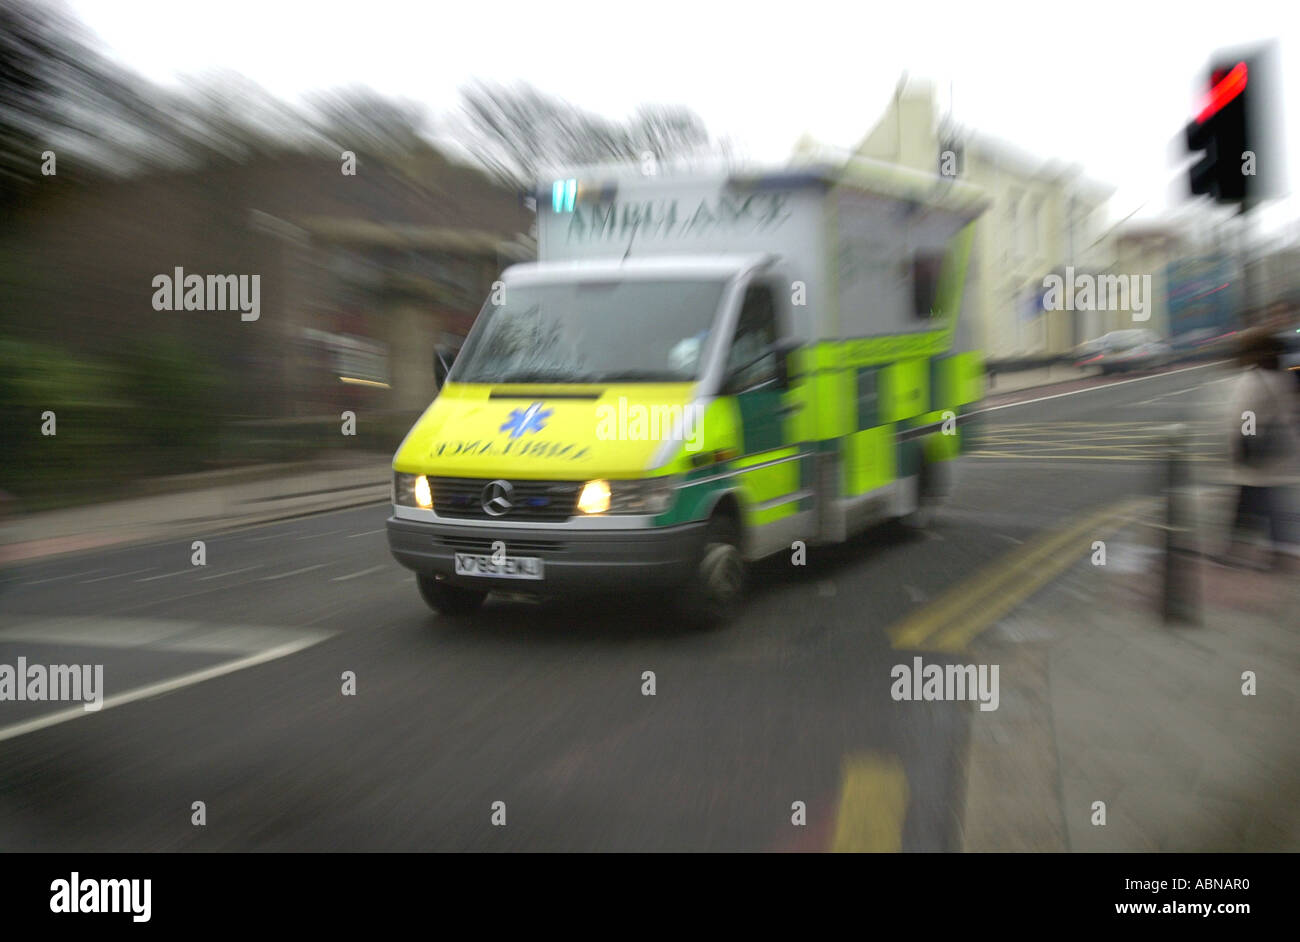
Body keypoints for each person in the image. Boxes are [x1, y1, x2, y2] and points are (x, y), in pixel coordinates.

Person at [1220, 328, 1300, 569]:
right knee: (1264, 504)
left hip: (1259, 455)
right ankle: (1273, 552)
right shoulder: (1283, 376)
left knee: (1251, 504)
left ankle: (1238, 551)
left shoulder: (1254, 380)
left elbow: (1244, 417)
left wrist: (1243, 447)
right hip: (1280, 450)